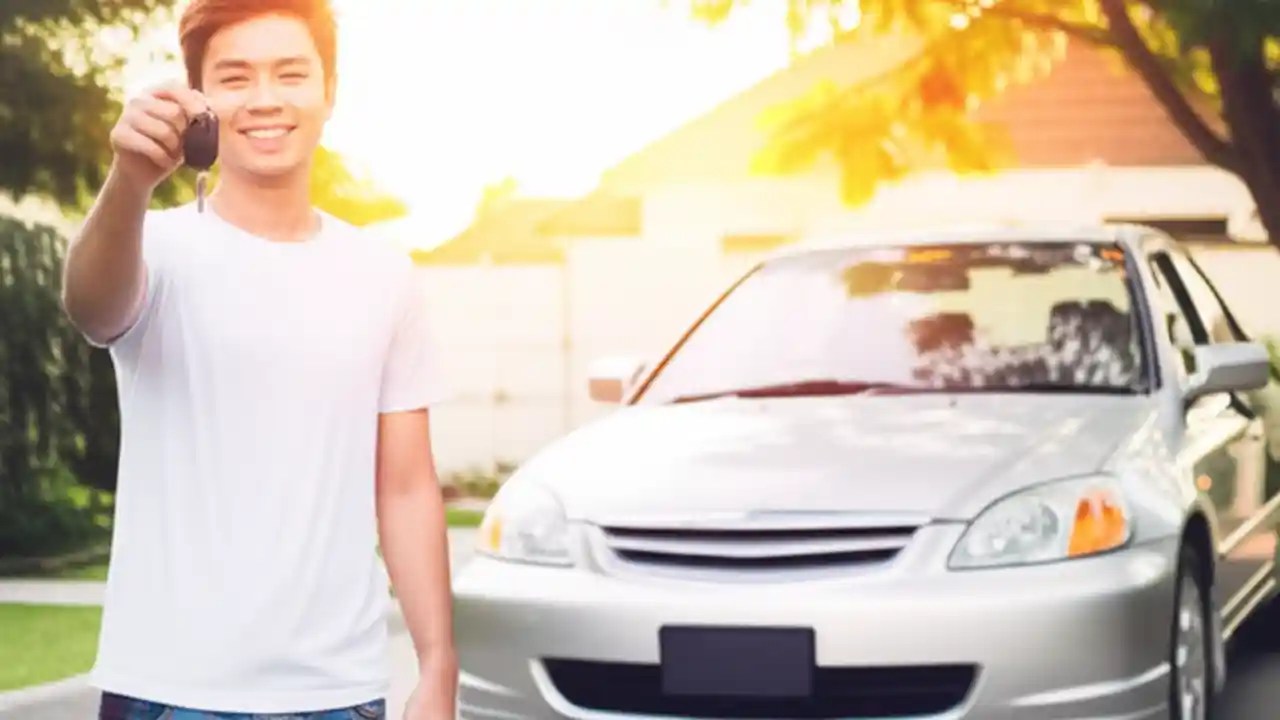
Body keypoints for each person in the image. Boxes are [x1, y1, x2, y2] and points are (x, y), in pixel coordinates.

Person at [61, 0, 457, 718]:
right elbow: (90, 306)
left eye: (292, 73)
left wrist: (438, 666)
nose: (266, 99)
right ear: (199, 101)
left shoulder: (384, 275)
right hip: (168, 690)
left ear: (328, 92)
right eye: (236, 77)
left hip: (339, 693)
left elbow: (404, 488)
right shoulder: (154, 246)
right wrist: (129, 178)